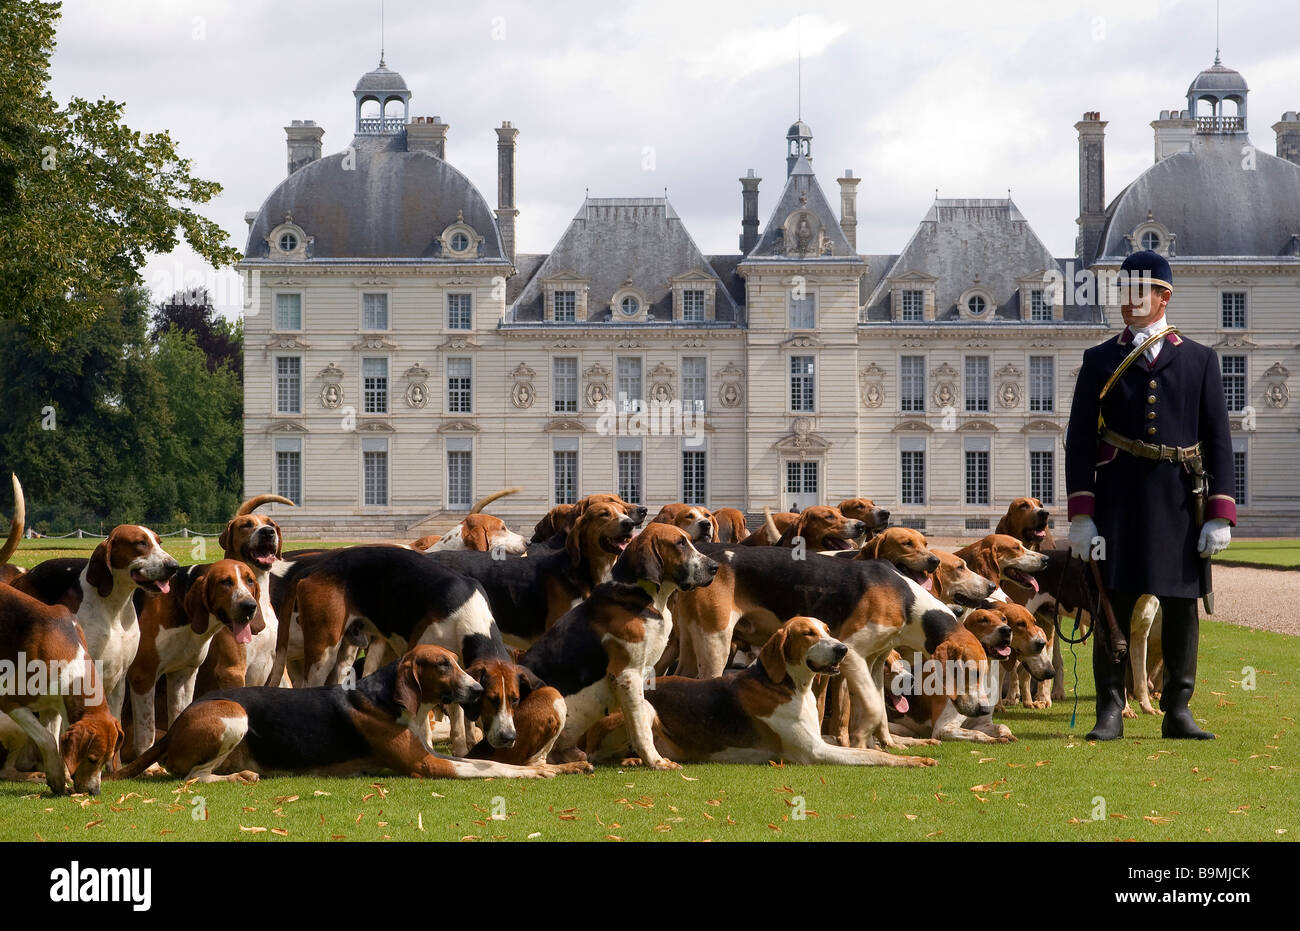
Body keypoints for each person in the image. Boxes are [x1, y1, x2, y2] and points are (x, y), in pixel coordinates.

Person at [1064, 250, 1235, 741]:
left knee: (1181, 604)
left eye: (1140, 292)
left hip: (1181, 500)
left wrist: (1219, 513)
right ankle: (1110, 708)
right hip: (1119, 499)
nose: (1129, 302)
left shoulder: (1200, 359)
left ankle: (1177, 709)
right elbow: (1079, 440)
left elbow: (1217, 438)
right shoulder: (1099, 359)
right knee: (1111, 602)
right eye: (1124, 292)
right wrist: (1082, 514)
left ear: (1164, 296)